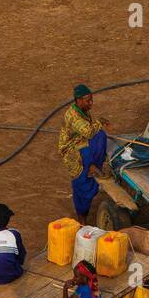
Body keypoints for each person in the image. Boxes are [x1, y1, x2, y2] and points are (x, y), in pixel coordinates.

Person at [58, 83, 108, 218]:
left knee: (101, 136)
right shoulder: (73, 116)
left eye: (91, 100)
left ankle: (92, 166)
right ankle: (81, 216)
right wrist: (100, 122)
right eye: (88, 101)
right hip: (71, 149)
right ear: (78, 100)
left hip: (81, 141)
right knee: (81, 182)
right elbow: (88, 132)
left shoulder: (83, 110)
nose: (91, 103)